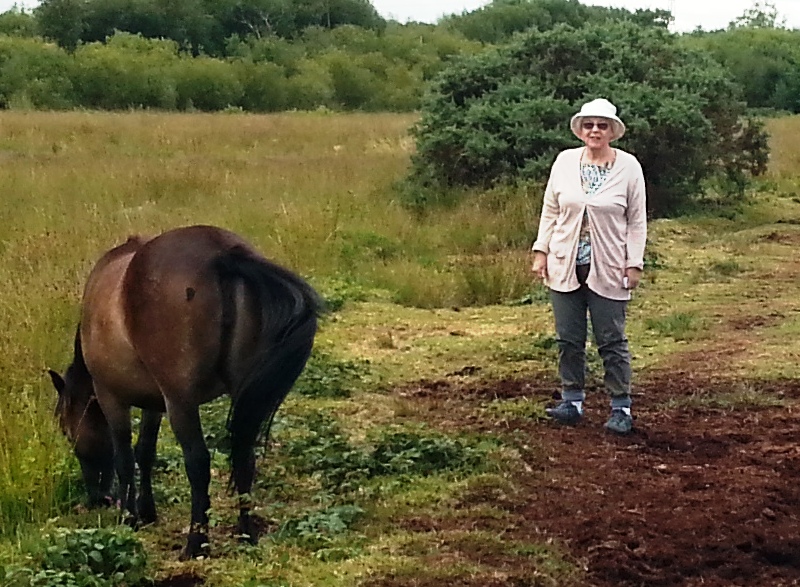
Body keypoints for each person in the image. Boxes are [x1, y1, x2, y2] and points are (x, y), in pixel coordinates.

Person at [531, 98, 647, 435]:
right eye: (589, 125)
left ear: (612, 130)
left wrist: (634, 263)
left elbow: (636, 221)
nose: (595, 130)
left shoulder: (629, 167)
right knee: (569, 338)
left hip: (610, 266)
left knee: (611, 339)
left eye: (602, 125)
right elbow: (550, 210)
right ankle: (572, 400)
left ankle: (621, 407)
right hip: (565, 262)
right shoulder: (565, 162)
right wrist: (541, 251)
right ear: (581, 130)